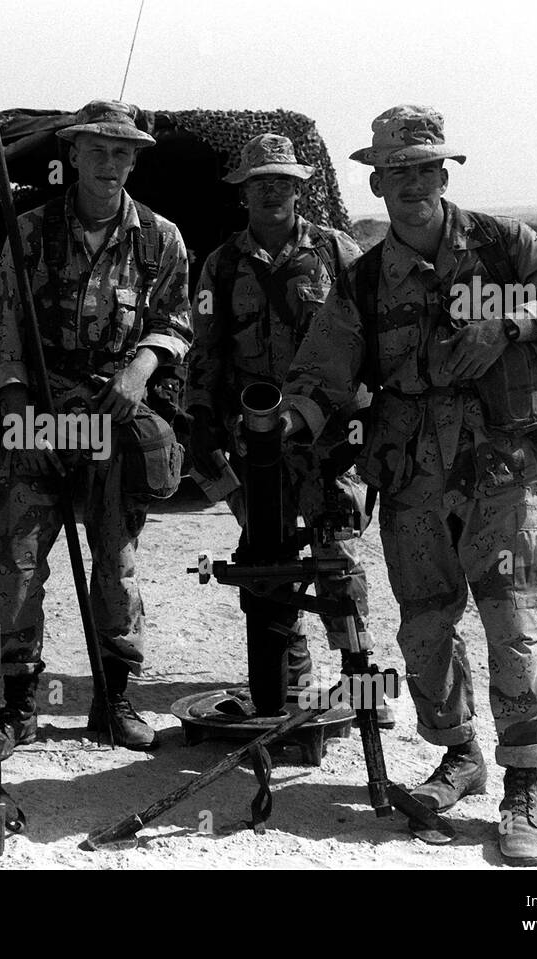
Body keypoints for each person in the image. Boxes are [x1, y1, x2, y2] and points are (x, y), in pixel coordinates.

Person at [277, 106, 537, 865]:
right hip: (413, 478)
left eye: (428, 168)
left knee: (512, 623)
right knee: (423, 630)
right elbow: (322, 373)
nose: (415, 183)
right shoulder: (360, 281)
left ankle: (522, 786)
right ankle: (459, 754)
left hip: (499, 474)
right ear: (377, 182)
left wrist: (515, 321)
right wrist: (286, 422)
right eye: (400, 171)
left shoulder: (501, 245)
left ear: (444, 174)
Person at [0, 100, 192, 751]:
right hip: (40, 421)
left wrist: (141, 368)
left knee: (116, 564)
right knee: (16, 560)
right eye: (98, 149)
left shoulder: (160, 239)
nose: (110, 162)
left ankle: (116, 698)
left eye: (122, 151)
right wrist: (18, 413)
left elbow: (178, 321)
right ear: (72, 154)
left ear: (134, 159)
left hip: (112, 423)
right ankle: (18, 701)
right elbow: (3, 331)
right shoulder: (29, 234)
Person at [187, 133, 389, 724]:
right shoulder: (221, 265)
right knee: (267, 561)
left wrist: (368, 415)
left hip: (330, 441)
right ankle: (291, 677)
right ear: (243, 194)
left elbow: (372, 337)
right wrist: (200, 418)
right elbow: (207, 351)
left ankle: (361, 683)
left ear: (301, 189)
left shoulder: (338, 254)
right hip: (256, 446)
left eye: (283, 182)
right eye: (259, 184)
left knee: (338, 558)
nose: (271, 192)